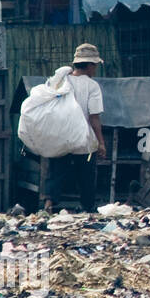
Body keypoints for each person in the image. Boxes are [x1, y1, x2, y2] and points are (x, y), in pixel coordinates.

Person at [44, 43, 106, 213]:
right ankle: (87, 207)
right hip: (83, 141)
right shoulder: (92, 86)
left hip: (60, 137)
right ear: (90, 65)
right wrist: (101, 142)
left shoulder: (61, 81)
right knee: (86, 173)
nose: (95, 70)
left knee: (56, 170)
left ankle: (49, 204)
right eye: (95, 66)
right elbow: (94, 117)